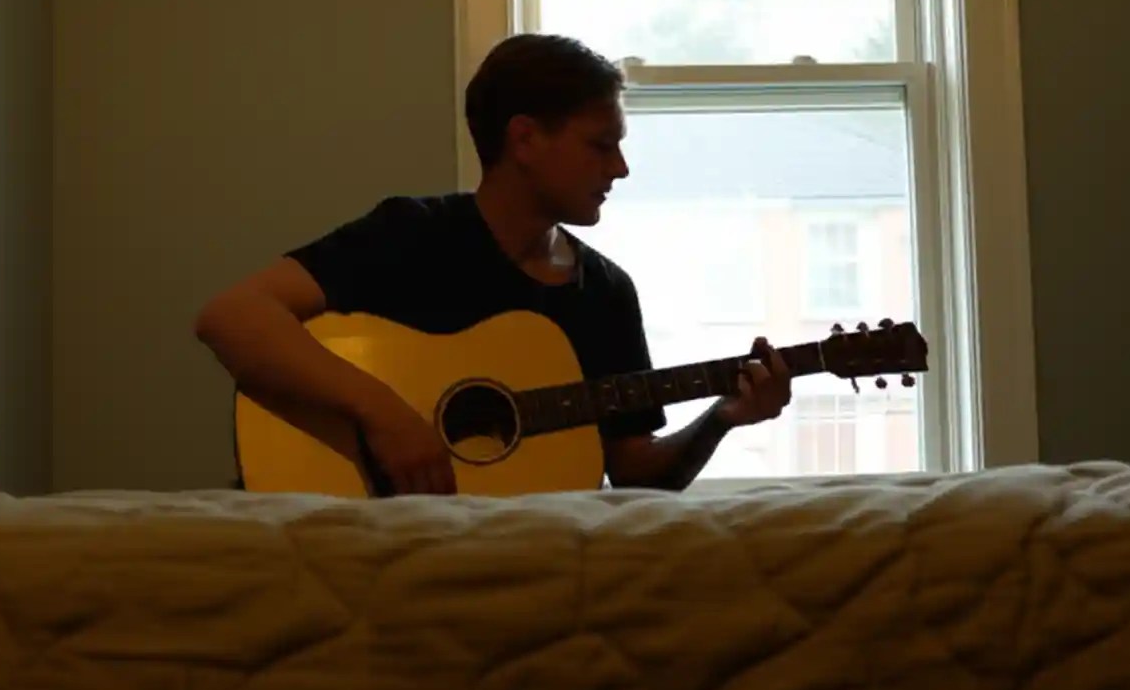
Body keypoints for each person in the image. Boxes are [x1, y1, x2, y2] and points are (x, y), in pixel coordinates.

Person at [194, 33, 792, 495]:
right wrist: (385, 415)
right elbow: (232, 317)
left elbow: (638, 477)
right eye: (601, 144)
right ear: (525, 140)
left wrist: (722, 418)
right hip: (348, 530)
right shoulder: (412, 234)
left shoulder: (605, 290)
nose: (621, 169)